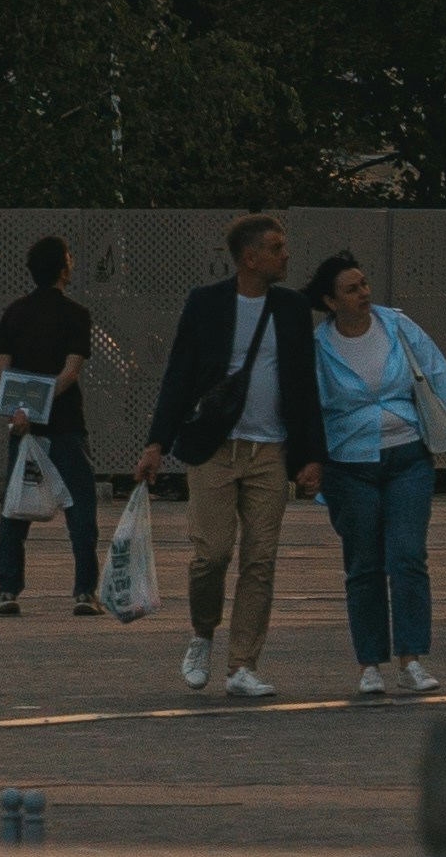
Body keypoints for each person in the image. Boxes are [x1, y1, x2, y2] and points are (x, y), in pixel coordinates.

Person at [139, 213, 328, 702]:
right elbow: (178, 375)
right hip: (215, 451)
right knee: (212, 554)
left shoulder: (291, 308)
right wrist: (157, 442)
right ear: (250, 257)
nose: (286, 254)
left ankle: (243, 664)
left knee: (260, 559)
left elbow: (304, 385)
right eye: (276, 247)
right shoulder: (207, 303)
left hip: (270, 450)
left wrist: (310, 456)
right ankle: (202, 634)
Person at [305, 248, 446, 698]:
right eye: (351, 289)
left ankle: (412, 659)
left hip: (408, 458)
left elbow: (437, 371)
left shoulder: (397, 326)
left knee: (407, 556)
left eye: (363, 284)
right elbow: (309, 407)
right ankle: (370, 664)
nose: (363, 293)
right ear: (330, 302)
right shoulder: (320, 347)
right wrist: (310, 461)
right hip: (349, 465)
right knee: (363, 565)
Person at [0, 236, 101, 620]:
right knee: (80, 508)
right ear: (64, 270)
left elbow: (2, 366)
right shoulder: (77, 315)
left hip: (23, 428)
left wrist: (21, 409)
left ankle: (6, 590)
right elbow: (70, 371)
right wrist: (43, 405)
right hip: (66, 424)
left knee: (15, 508)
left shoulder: (14, 313)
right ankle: (85, 591)